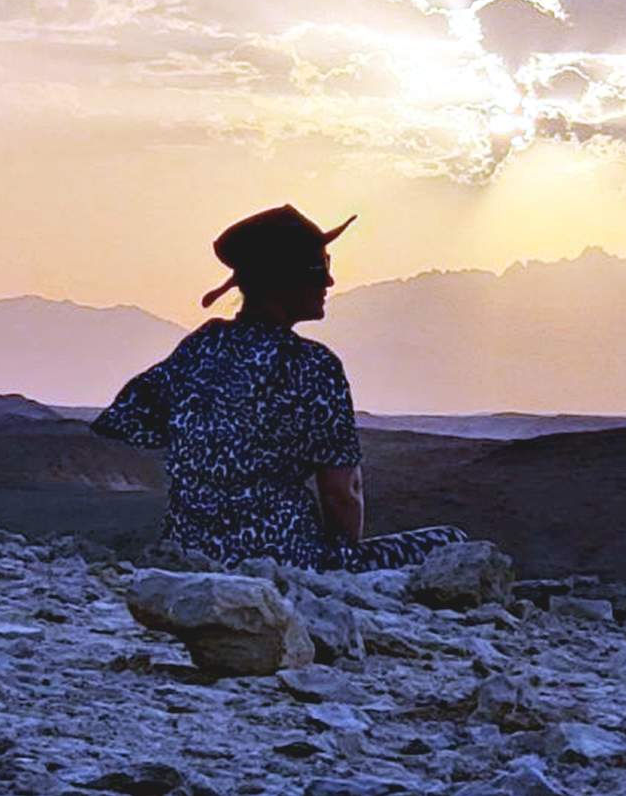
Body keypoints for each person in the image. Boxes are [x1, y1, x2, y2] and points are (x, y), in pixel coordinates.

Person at [90, 203, 469, 572]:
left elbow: (125, 420)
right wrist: (342, 572)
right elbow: (342, 493)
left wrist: (208, 459)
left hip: (190, 555)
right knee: (452, 544)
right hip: (287, 564)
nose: (329, 281)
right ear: (284, 280)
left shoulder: (199, 346)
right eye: (319, 268)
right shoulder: (312, 365)